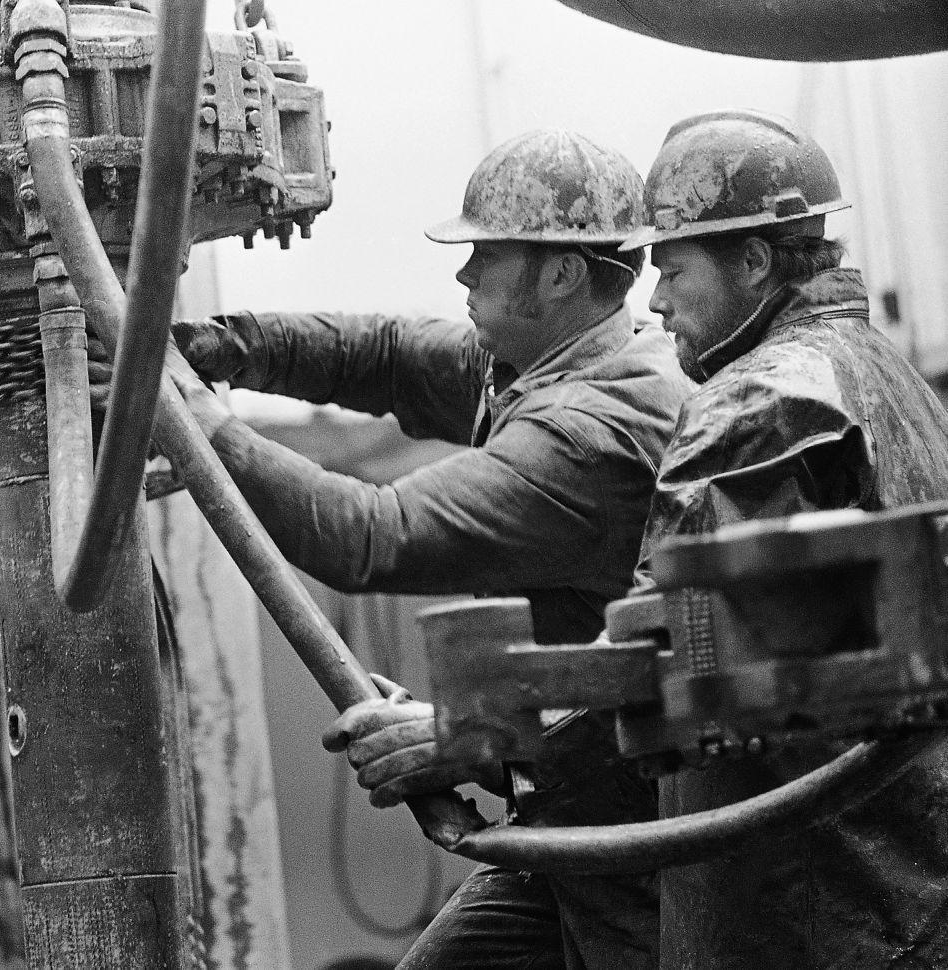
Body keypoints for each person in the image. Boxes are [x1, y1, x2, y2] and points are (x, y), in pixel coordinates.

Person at [330, 109, 948, 969]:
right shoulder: (882, 374)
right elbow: (796, 636)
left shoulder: (756, 408)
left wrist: (469, 732)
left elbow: (690, 670)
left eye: (675, 269)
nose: (654, 300)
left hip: (801, 898)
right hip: (891, 876)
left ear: (755, 261)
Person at [106, 129, 691, 968]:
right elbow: (381, 354)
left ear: (561, 274)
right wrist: (211, 347)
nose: (463, 274)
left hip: (638, 838)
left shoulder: (587, 434)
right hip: (573, 802)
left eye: (485, 255)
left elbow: (370, 538)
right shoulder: (550, 364)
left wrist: (193, 421)